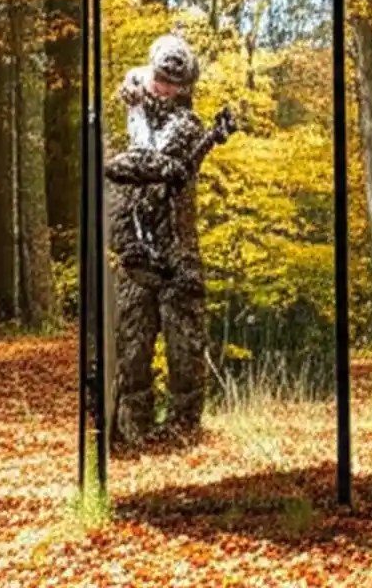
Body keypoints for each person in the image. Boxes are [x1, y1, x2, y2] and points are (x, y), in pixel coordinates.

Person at [104, 34, 236, 444]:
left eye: (172, 83)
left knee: (185, 349)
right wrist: (135, 90)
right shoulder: (136, 108)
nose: (163, 86)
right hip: (135, 250)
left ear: (184, 88)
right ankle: (133, 427)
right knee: (132, 344)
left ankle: (182, 430)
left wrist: (114, 162)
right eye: (159, 78)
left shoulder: (188, 125)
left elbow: (153, 165)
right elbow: (132, 91)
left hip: (177, 253)